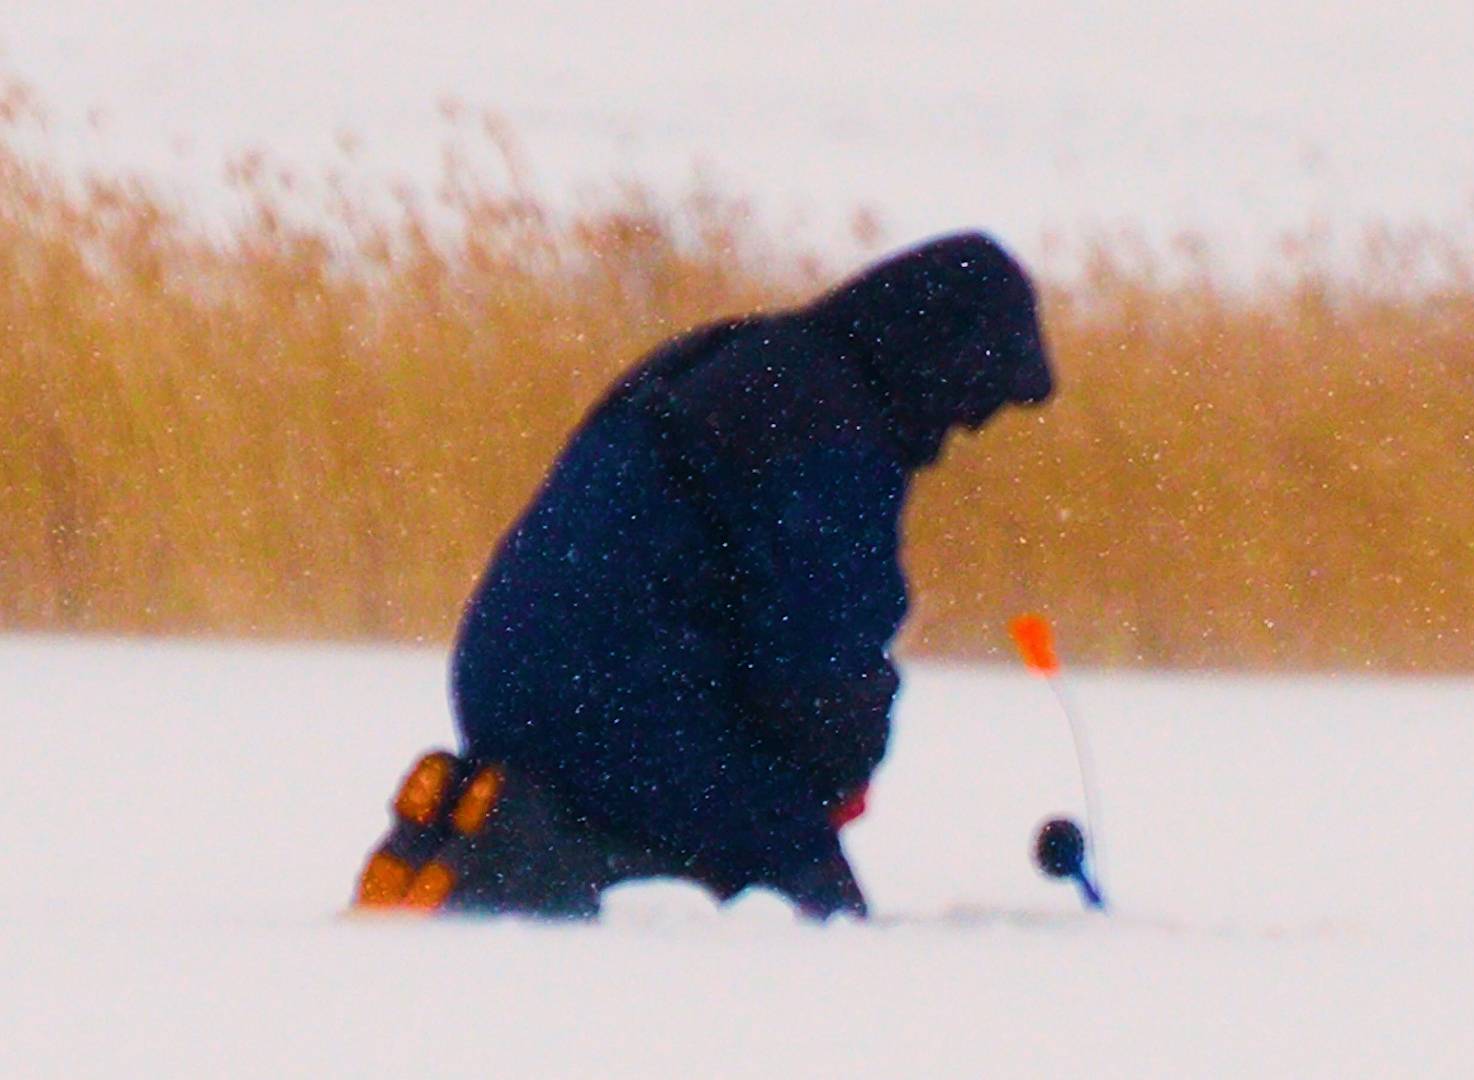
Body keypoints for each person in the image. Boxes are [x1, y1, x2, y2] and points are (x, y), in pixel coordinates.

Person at [353, 232, 1053, 920]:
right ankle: (514, 859)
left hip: (498, 675)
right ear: (940, 356)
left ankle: (469, 828)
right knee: (803, 906)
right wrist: (837, 775)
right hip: (614, 701)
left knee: (688, 804)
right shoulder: (830, 424)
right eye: (972, 397)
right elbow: (820, 652)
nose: (964, 426)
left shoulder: (726, 359)